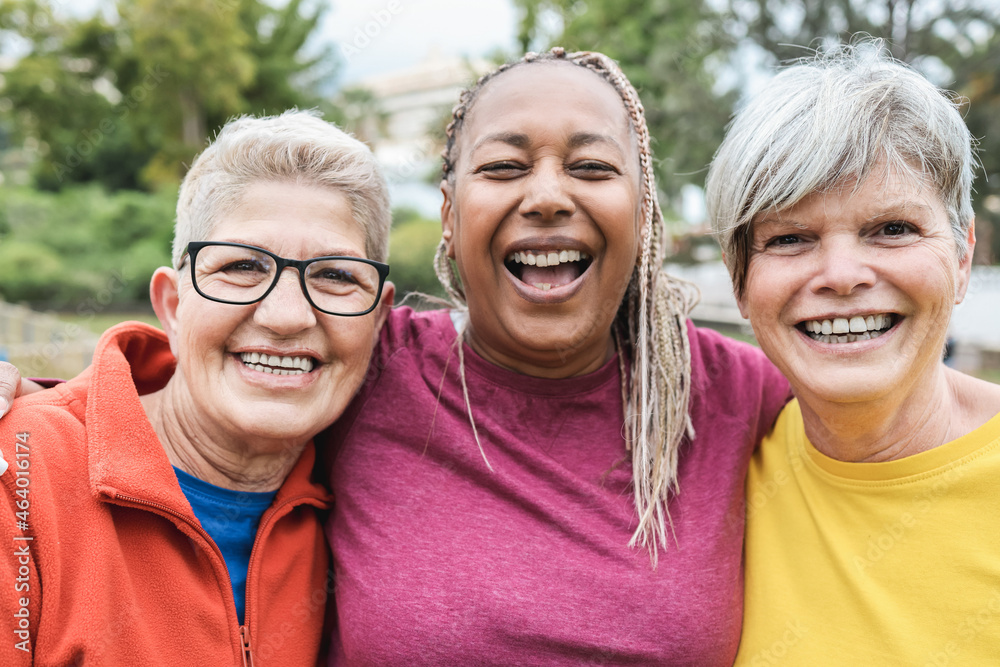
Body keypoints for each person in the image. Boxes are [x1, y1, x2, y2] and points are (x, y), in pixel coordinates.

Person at [323, 48, 789, 665]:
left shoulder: (737, 394)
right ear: (448, 215)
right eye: (503, 167)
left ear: (643, 210)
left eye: (592, 167)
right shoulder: (361, 369)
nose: (547, 197)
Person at [0, 110, 394, 665]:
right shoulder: (17, 475)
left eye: (335, 275)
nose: (286, 316)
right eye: (242, 266)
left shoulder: (369, 500)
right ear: (173, 307)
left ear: (379, 322)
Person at [705, 46, 1000, 663]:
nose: (841, 275)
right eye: (789, 238)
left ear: (964, 255)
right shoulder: (713, 467)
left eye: (893, 229)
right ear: (739, 282)